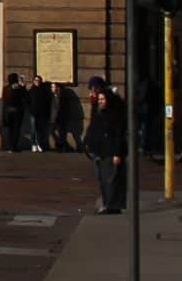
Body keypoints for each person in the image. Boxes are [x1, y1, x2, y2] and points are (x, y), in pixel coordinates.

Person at [82, 75, 127, 214]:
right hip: (99, 149)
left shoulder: (115, 111)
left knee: (112, 179)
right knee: (102, 178)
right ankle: (108, 204)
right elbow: (94, 126)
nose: (93, 93)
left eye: (102, 98)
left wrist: (117, 153)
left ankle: (112, 205)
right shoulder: (97, 107)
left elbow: (119, 133)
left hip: (110, 150)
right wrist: (87, 141)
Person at [0, 73, 28, 152]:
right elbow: (26, 96)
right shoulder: (19, 88)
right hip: (17, 112)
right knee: (16, 130)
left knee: (10, 130)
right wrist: (23, 86)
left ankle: (10, 146)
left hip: (8, 112)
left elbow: (4, 100)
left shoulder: (6, 88)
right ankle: (14, 146)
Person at [52, 82, 84, 153]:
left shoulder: (61, 96)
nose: (52, 88)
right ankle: (65, 147)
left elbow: (60, 108)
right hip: (58, 118)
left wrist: (57, 118)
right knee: (58, 133)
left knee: (63, 134)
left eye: (53, 87)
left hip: (61, 118)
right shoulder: (55, 95)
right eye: (52, 87)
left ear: (58, 88)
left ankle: (64, 147)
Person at [26, 73, 53, 155]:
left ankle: (39, 144)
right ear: (33, 81)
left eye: (38, 80)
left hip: (41, 113)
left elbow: (47, 102)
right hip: (33, 113)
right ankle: (33, 144)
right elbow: (27, 101)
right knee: (33, 129)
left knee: (40, 130)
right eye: (35, 80)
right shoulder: (31, 90)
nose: (37, 82)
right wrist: (30, 110)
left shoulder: (44, 91)